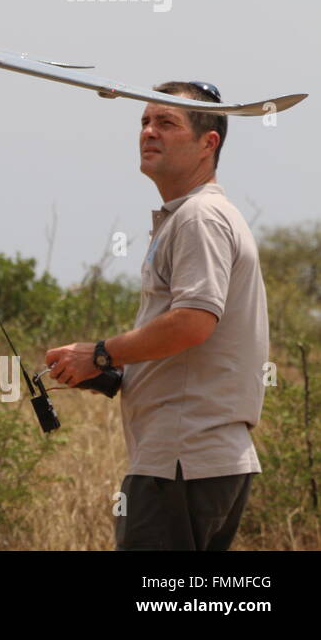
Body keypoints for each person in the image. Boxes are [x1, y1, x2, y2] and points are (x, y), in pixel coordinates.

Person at [44, 81, 268, 551]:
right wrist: (113, 371)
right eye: (145, 122)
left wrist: (101, 354)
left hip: (181, 461)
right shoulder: (195, 215)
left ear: (210, 143)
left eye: (166, 123)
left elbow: (192, 323)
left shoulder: (198, 218)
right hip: (202, 460)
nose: (149, 132)